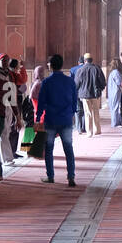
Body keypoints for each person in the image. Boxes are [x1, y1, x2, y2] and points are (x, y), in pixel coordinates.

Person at [35, 53, 78, 186]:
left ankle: (51, 176)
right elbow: (75, 100)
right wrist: (72, 113)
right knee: (68, 148)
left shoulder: (47, 82)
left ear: (51, 66)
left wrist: (38, 117)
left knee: (49, 148)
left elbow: (41, 101)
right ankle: (71, 177)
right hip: (65, 119)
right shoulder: (70, 81)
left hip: (51, 119)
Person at [75, 53, 107, 137]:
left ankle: (89, 132)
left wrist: (77, 92)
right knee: (96, 111)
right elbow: (103, 82)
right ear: (91, 60)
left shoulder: (80, 70)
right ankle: (97, 130)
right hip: (95, 95)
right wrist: (100, 89)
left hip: (85, 95)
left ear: (85, 60)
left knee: (87, 113)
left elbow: (77, 84)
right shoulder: (97, 69)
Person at [106, 58, 122, 129]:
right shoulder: (116, 72)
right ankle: (115, 123)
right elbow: (120, 83)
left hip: (112, 92)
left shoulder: (112, 72)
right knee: (115, 107)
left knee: (114, 107)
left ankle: (116, 122)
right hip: (115, 92)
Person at [70, 54, 86, 134]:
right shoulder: (86, 68)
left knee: (78, 110)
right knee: (85, 110)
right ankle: (84, 127)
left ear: (78, 62)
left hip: (76, 92)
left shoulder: (73, 69)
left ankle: (78, 128)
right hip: (86, 92)